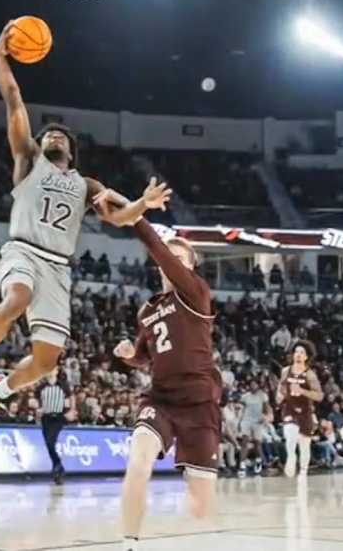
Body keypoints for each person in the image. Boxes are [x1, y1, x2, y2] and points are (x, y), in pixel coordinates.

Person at [0, 20, 156, 424]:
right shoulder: (27, 160)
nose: (54, 136)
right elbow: (15, 100)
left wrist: (143, 202)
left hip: (57, 267)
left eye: (61, 136)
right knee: (16, 299)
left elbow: (120, 217)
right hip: (22, 249)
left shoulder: (87, 185)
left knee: (45, 362)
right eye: (49, 134)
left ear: (72, 151)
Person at [111, 208, 220, 551]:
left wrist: (137, 220)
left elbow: (158, 249)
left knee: (200, 509)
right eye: (168, 257)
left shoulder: (195, 292)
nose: (171, 261)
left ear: (190, 267)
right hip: (160, 399)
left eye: (179, 258)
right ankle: (129, 543)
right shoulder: (147, 310)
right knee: (138, 462)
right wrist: (130, 355)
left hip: (200, 402)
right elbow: (146, 356)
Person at [277, 341, 322, 478]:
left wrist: (302, 391)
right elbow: (281, 388)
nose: (298, 355)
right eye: (296, 352)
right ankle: (291, 458)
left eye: (302, 353)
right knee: (290, 437)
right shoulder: (285, 371)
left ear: (306, 357)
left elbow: (319, 396)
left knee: (304, 444)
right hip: (289, 409)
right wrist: (279, 395)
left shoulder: (310, 375)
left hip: (305, 411)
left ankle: (303, 471)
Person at [38, 369, 71, 484]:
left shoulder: (63, 385)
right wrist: (38, 409)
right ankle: (58, 467)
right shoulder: (41, 387)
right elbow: (38, 402)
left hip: (58, 418)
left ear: (56, 371)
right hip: (46, 418)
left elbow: (67, 402)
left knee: (51, 442)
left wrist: (68, 412)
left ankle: (57, 466)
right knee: (48, 444)